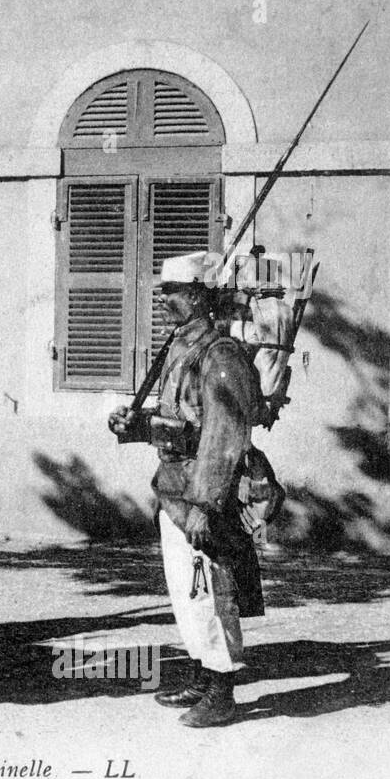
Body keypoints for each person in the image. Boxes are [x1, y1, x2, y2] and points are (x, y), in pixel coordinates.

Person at [108, 251, 264, 727]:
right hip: (174, 488)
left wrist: (205, 506)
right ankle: (201, 673)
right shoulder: (180, 349)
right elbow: (181, 421)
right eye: (163, 293)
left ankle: (223, 690)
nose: (163, 301)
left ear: (198, 297)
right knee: (186, 592)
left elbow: (223, 439)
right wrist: (135, 427)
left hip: (201, 493)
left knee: (211, 590)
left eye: (172, 293)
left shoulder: (221, 355)